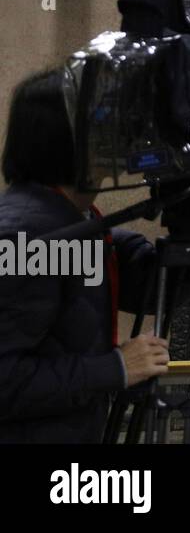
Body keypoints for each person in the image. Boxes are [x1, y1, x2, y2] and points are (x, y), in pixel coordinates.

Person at [0, 69, 169, 443]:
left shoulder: (76, 222)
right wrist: (116, 369)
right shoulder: (27, 235)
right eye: (101, 122)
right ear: (66, 140)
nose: (118, 136)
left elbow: (148, 283)